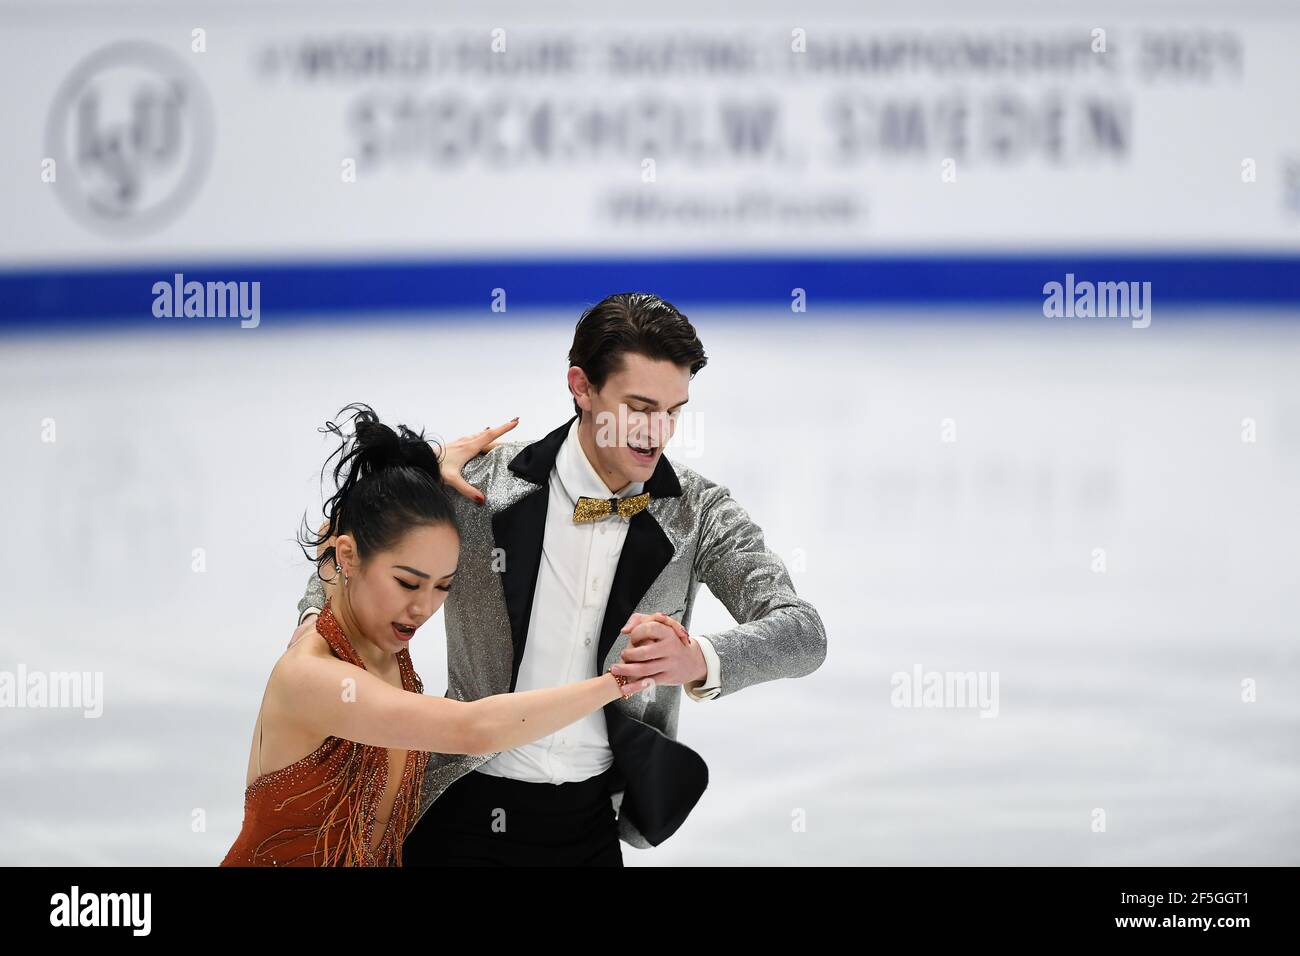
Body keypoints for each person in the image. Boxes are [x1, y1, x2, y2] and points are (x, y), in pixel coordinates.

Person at [297, 291, 829, 866]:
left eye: (674, 411)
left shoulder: (697, 513)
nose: (658, 432)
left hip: (589, 824)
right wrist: (312, 642)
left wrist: (698, 659)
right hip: (459, 809)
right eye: (640, 406)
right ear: (582, 387)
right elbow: (351, 541)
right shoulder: (480, 486)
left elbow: (803, 632)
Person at [221, 403, 649, 867]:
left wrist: (427, 462)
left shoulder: (364, 627)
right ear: (348, 557)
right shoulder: (312, 676)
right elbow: (474, 729)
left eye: (442, 586)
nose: (422, 607)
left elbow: (337, 528)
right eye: (407, 582)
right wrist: (619, 682)